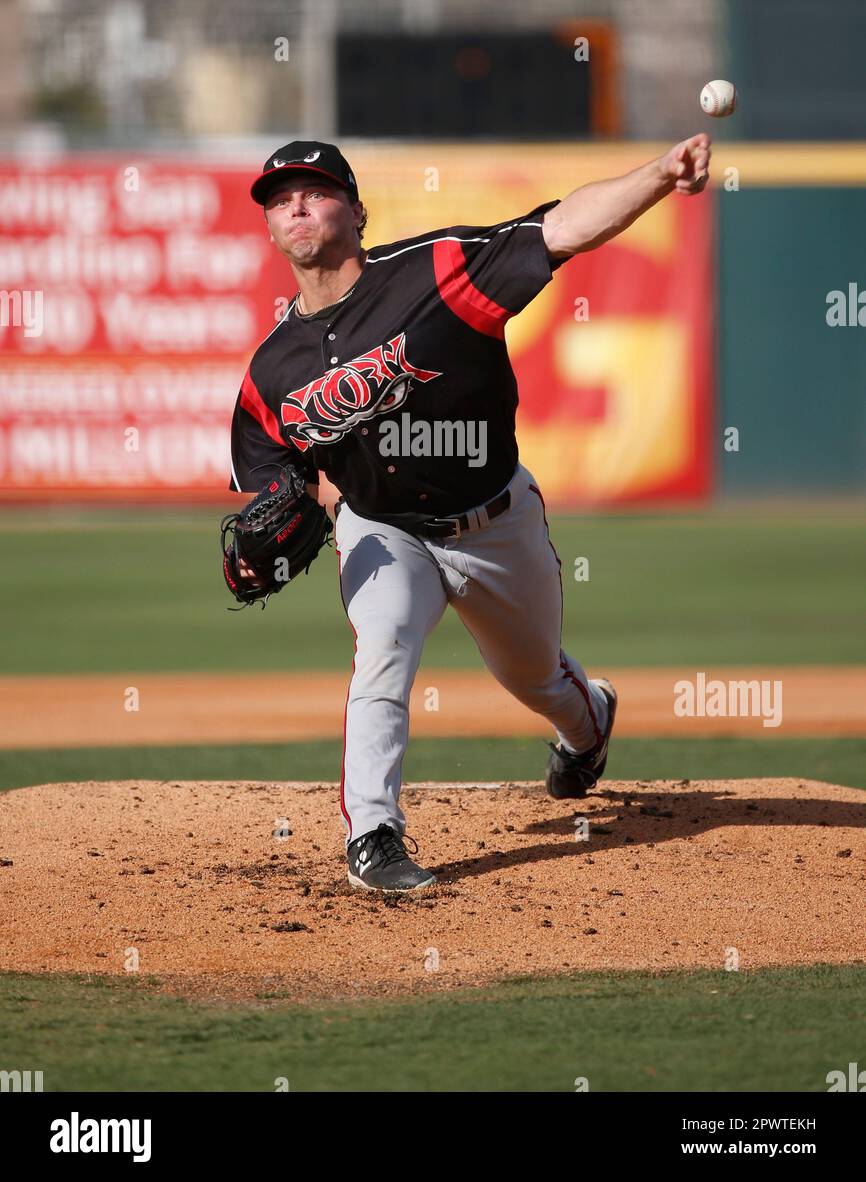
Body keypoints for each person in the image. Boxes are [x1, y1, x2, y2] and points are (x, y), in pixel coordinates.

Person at [228, 135, 711, 892]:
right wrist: (306, 511)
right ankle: (375, 837)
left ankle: (589, 726)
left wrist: (657, 175)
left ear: (356, 210)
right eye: (279, 196)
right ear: (268, 227)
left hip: (495, 519)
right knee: (382, 647)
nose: (296, 204)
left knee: (535, 677)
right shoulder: (270, 370)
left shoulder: (438, 271)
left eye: (316, 190)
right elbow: (278, 473)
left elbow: (561, 230)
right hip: (383, 528)